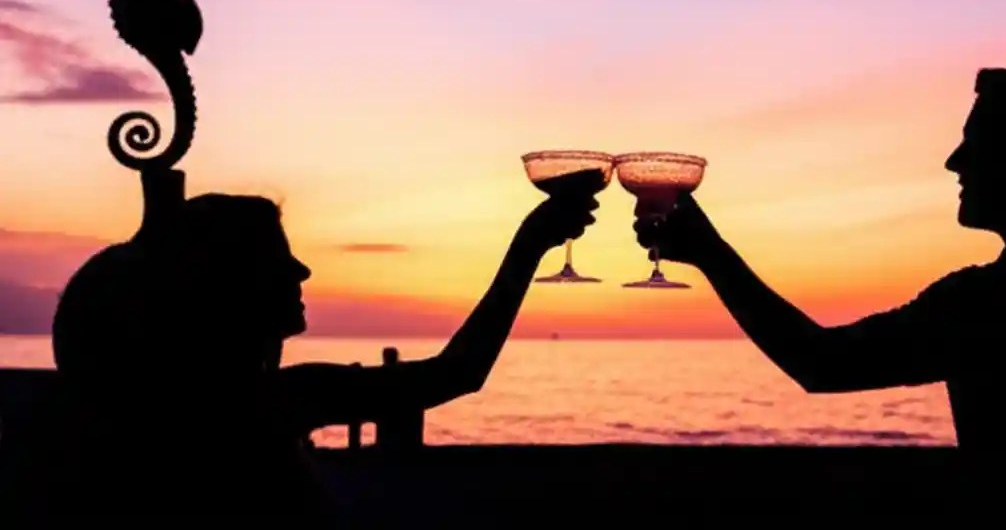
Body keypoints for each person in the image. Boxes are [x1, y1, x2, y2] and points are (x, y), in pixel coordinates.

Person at [634, 68, 1006, 511]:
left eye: (979, 141)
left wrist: (712, 255)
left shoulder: (993, 303)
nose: (954, 161)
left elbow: (821, 363)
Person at [36, 167, 604, 519]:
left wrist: (532, 243)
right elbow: (456, 374)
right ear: (228, 284)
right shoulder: (266, 407)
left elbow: (457, 373)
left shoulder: (141, 425)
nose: (302, 270)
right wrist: (528, 246)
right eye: (279, 258)